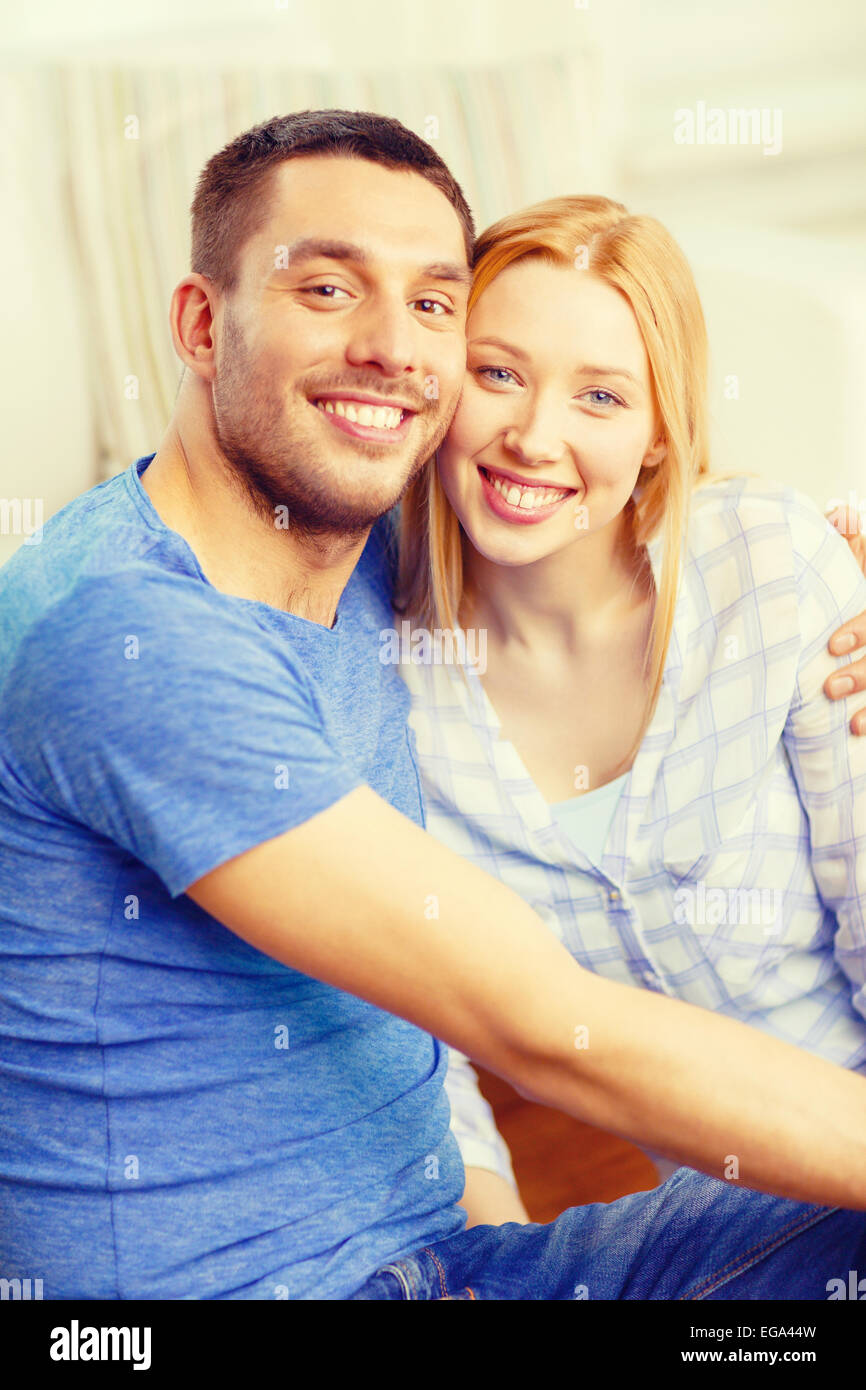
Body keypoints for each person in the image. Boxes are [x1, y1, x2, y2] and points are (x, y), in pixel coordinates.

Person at [1, 111, 866, 1304]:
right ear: (202, 326)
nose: (389, 350)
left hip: (451, 1267)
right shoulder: (129, 637)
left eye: (430, 305)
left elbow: (587, 482)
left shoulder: (370, 544)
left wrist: (835, 556)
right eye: (325, 289)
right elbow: (535, 1020)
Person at [390, 195, 866, 1228]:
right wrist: (491, 1263)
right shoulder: (376, 665)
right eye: (497, 373)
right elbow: (412, 1042)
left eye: (599, 398)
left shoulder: (769, 569)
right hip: (699, 1231)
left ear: (659, 434)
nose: (531, 437)